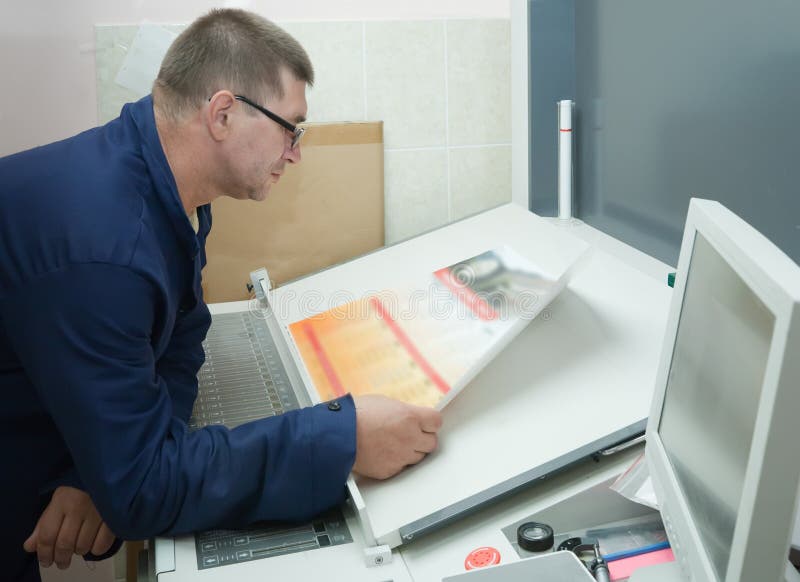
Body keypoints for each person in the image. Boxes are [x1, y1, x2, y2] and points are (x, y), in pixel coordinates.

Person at [0, 9, 442, 581]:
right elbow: (144, 492)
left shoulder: (169, 189)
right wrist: (342, 440)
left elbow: (181, 340)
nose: (296, 152)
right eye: (292, 127)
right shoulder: (106, 249)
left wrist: (96, 468)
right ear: (224, 114)